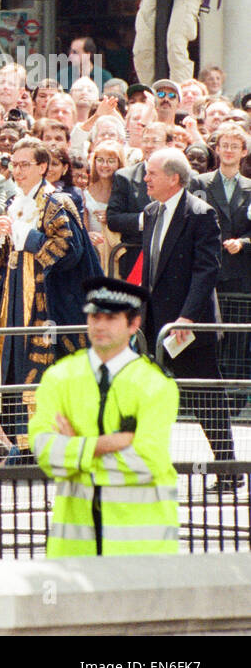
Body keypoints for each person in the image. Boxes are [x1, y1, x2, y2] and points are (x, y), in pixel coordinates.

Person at [29, 277, 179, 557]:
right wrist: (107, 444)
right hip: (74, 551)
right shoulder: (59, 377)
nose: (99, 325)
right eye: (94, 316)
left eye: (111, 318)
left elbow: (147, 461)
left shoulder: (156, 384)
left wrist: (75, 449)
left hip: (141, 552)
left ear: (133, 325)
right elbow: (44, 452)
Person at [140, 147, 241, 491]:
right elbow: (150, 272)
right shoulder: (151, 211)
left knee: (205, 399)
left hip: (188, 326)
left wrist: (186, 318)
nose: (146, 179)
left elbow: (205, 271)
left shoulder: (201, 214)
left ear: (174, 178)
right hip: (154, 324)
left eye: (152, 173)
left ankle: (228, 470)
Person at [0, 137, 87, 462]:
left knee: (40, 375)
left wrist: (27, 237)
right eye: (14, 164)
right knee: (15, 371)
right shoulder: (13, 202)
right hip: (14, 301)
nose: (18, 171)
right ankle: (23, 446)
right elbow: (2, 262)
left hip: (46, 305)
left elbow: (70, 251)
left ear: (42, 167)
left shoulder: (57, 202)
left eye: (25, 164)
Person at [106, 119, 169, 276]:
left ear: (168, 144)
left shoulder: (180, 177)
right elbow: (113, 218)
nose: (149, 145)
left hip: (171, 260)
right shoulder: (124, 177)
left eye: (155, 140)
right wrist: (144, 220)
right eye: (145, 140)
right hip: (135, 260)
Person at [195, 124, 251, 294]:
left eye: (234, 147)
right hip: (206, 266)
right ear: (217, 149)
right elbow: (193, 221)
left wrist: (242, 242)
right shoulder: (199, 183)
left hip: (239, 272)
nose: (229, 150)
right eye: (225, 146)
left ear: (244, 152)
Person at [84, 140, 126, 273]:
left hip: (115, 253)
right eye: (100, 160)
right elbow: (83, 226)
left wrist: (112, 218)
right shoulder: (86, 190)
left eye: (111, 161)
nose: (105, 165)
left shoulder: (125, 191)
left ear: (119, 163)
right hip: (94, 253)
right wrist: (88, 235)